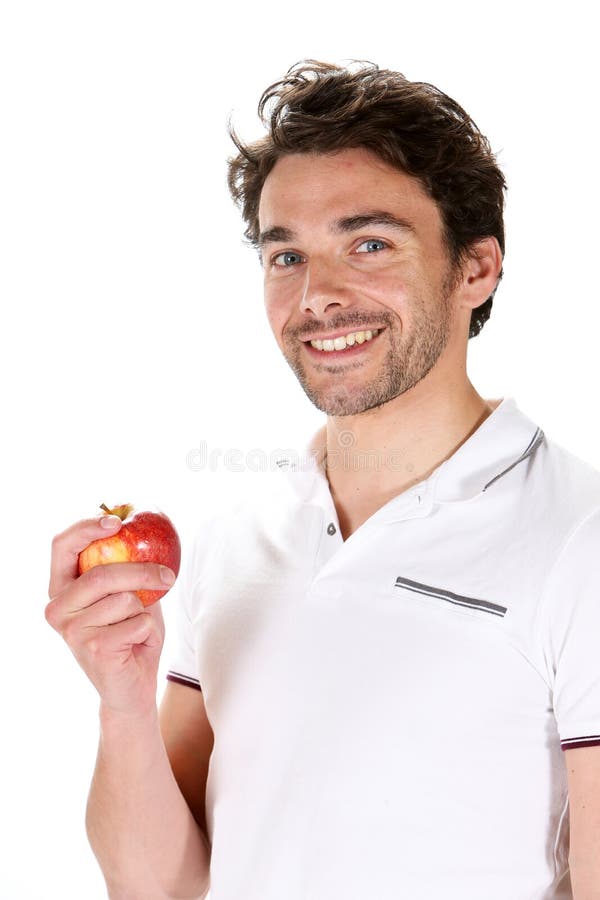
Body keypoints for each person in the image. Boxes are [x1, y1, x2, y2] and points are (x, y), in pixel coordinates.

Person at [45, 60, 600, 899]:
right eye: (286, 255)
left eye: (369, 243)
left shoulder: (579, 535)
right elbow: (157, 887)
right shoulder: (238, 535)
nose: (318, 296)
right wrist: (123, 700)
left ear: (476, 269)